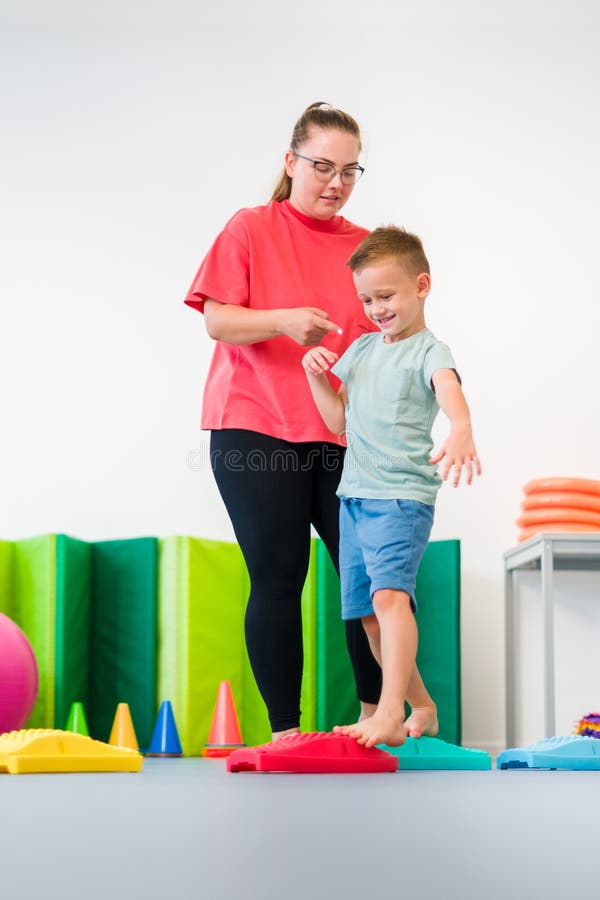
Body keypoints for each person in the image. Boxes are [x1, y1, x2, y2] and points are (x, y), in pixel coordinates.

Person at [184, 102, 383, 740]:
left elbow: (384, 342)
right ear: (290, 161)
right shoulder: (250, 227)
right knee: (278, 576)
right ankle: (285, 731)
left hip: (341, 434)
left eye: (350, 171)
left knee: (370, 575)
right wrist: (283, 319)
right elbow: (218, 319)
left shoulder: (366, 249)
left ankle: (376, 720)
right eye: (323, 166)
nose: (335, 182)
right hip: (254, 427)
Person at [301, 226, 481, 747]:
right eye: (366, 299)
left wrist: (462, 428)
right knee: (370, 617)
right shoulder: (360, 350)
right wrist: (316, 376)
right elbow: (338, 421)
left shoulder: (429, 350)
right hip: (353, 497)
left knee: (389, 600)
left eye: (386, 296)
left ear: (421, 286)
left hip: (400, 498)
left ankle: (387, 714)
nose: (376, 308)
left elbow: (448, 389)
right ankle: (421, 706)